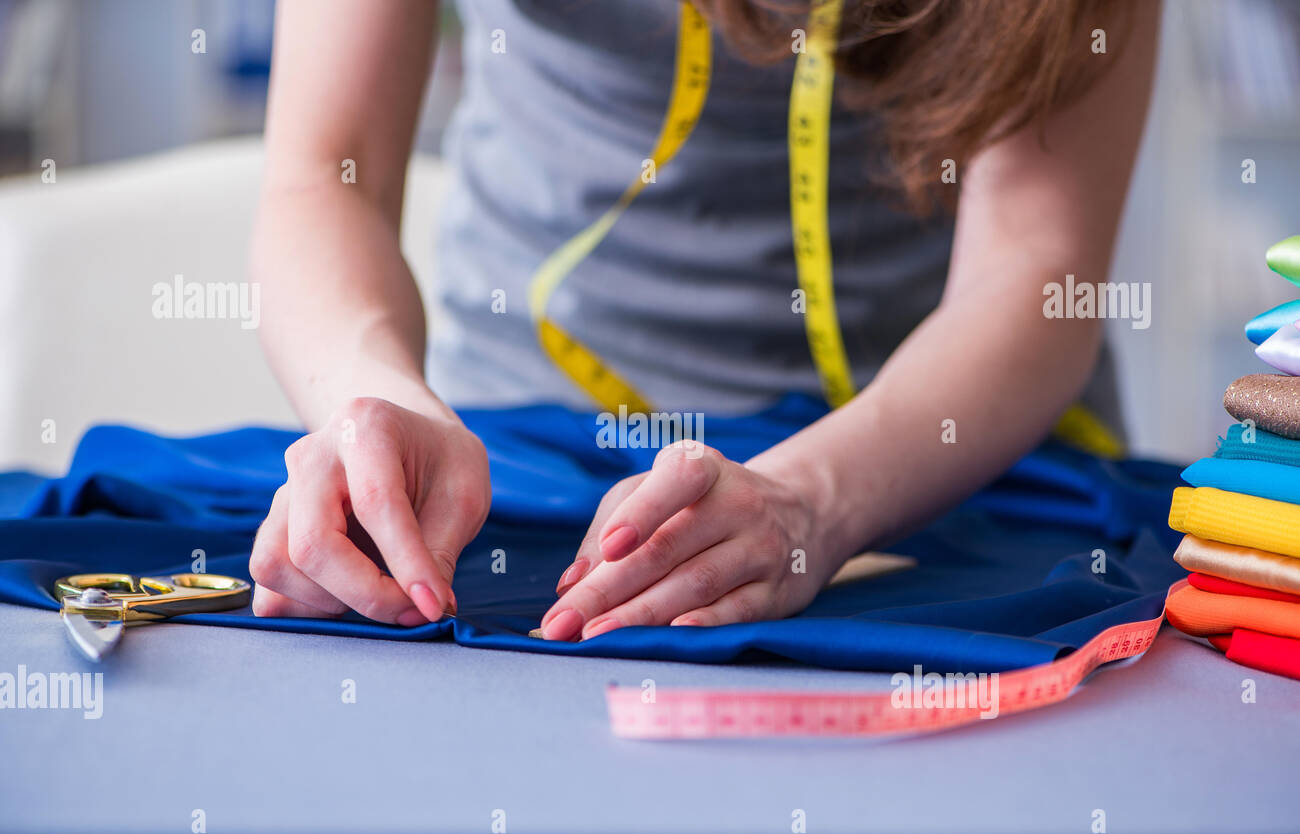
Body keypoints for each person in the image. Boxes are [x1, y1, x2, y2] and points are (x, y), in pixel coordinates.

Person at [247, 0, 1159, 641]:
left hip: (954, 454)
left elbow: (1034, 271)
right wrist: (372, 396)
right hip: (521, 442)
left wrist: (810, 500)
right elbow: (326, 171)